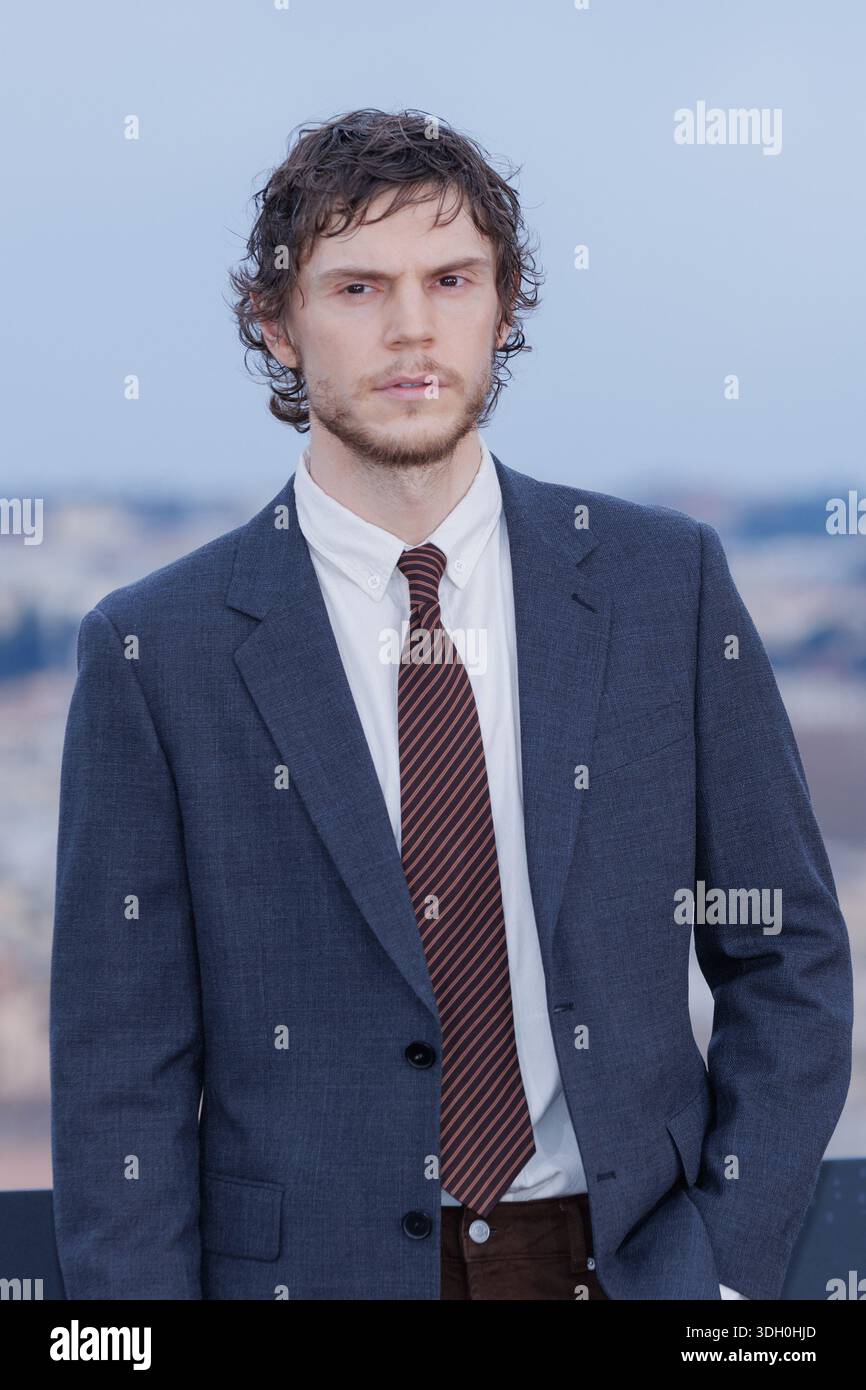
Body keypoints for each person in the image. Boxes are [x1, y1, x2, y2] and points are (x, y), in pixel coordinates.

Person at [50, 108, 853, 1301]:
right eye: (357, 287)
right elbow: (121, 1065)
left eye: (451, 279)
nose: (411, 328)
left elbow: (785, 953)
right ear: (275, 322)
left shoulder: (661, 585)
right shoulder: (152, 649)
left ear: (504, 306)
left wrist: (721, 1272)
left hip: (622, 1267)